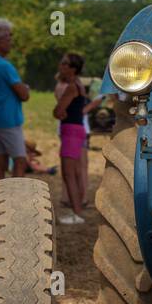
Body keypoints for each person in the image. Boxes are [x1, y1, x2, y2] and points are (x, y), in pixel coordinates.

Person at [0, 20, 30, 182]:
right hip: (10, 120)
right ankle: (16, 202)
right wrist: (25, 88)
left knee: (0, 163)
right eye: (8, 40)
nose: (11, 43)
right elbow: (24, 95)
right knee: (20, 160)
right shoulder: (5, 66)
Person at [54, 53, 87, 224]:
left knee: (69, 174)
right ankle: (78, 212)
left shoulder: (71, 87)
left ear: (73, 68)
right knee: (74, 173)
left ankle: (77, 214)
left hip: (70, 131)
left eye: (65, 63)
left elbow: (57, 111)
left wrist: (60, 110)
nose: (61, 66)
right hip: (77, 130)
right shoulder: (79, 85)